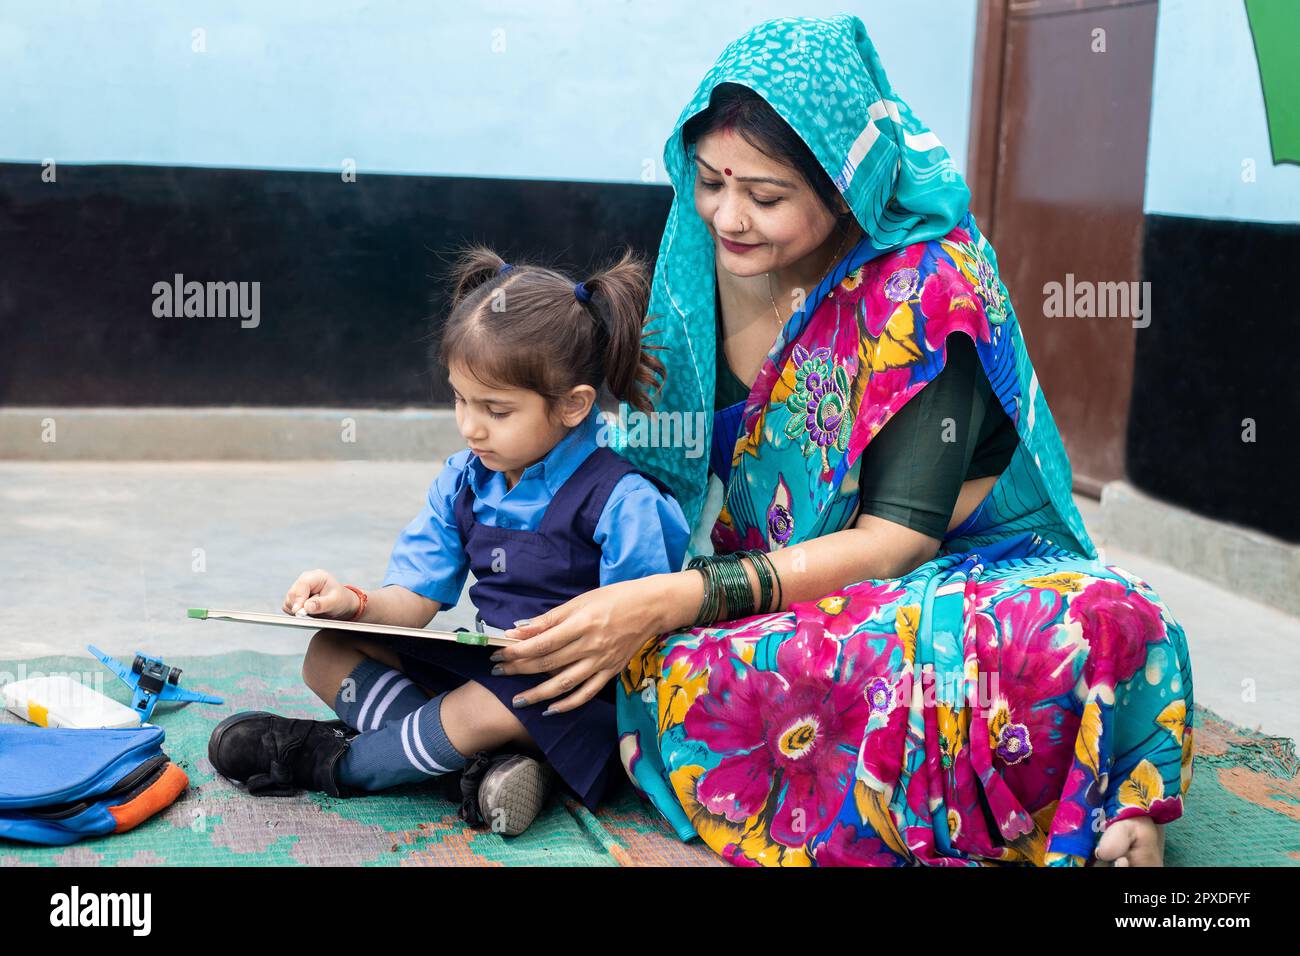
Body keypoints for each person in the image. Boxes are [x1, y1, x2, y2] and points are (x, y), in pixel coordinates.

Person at [490, 15, 1194, 865]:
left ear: (845, 187)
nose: (728, 215)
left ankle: (1104, 803)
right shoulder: (694, 260)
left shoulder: (926, 288)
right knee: (666, 655)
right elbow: (642, 459)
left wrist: (676, 599)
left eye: (766, 195)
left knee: (1110, 626)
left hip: (960, 581)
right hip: (786, 594)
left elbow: (896, 545)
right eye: (712, 181)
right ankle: (1050, 805)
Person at [207, 247, 691, 837]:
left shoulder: (624, 501)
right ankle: (483, 770)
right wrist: (352, 603)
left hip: (576, 701)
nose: (469, 426)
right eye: (460, 399)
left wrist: (542, 675)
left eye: (496, 409)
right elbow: (411, 604)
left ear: (573, 406)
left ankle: (331, 762)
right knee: (327, 651)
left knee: (482, 708)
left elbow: (638, 648)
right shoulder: (464, 479)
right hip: (491, 673)